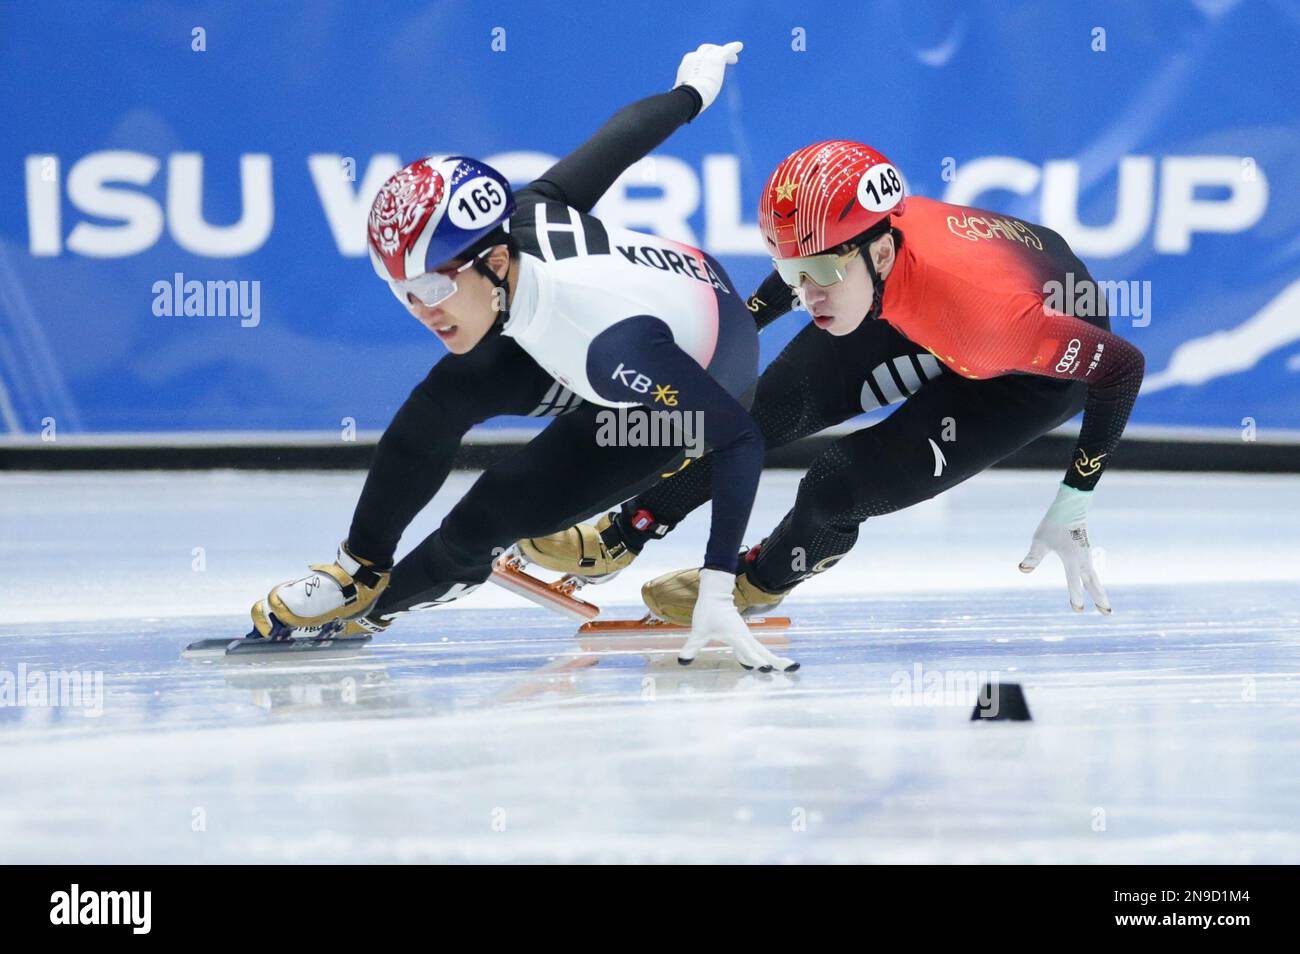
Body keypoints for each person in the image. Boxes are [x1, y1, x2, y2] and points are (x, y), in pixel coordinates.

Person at [248, 42, 797, 671]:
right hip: (617, 323)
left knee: (492, 511)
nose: (423, 310)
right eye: (403, 293)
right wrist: (690, 93)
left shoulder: (604, 338)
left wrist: (719, 586)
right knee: (445, 394)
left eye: (432, 286)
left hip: (694, 381)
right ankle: (357, 573)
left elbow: (739, 441)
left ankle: (376, 609)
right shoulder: (528, 213)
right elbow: (619, 139)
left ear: (496, 261)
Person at [519, 140, 1145, 622]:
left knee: (837, 485)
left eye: (817, 270)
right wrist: (730, 331)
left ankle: (763, 577)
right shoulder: (844, 256)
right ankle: (625, 532)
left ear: (877, 250)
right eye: (787, 268)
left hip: (1017, 366)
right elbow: (803, 267)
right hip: (906, 299)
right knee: (752, 413)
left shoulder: (992, 320)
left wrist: (1074, 502)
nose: (804, 291)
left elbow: (1122, 366)